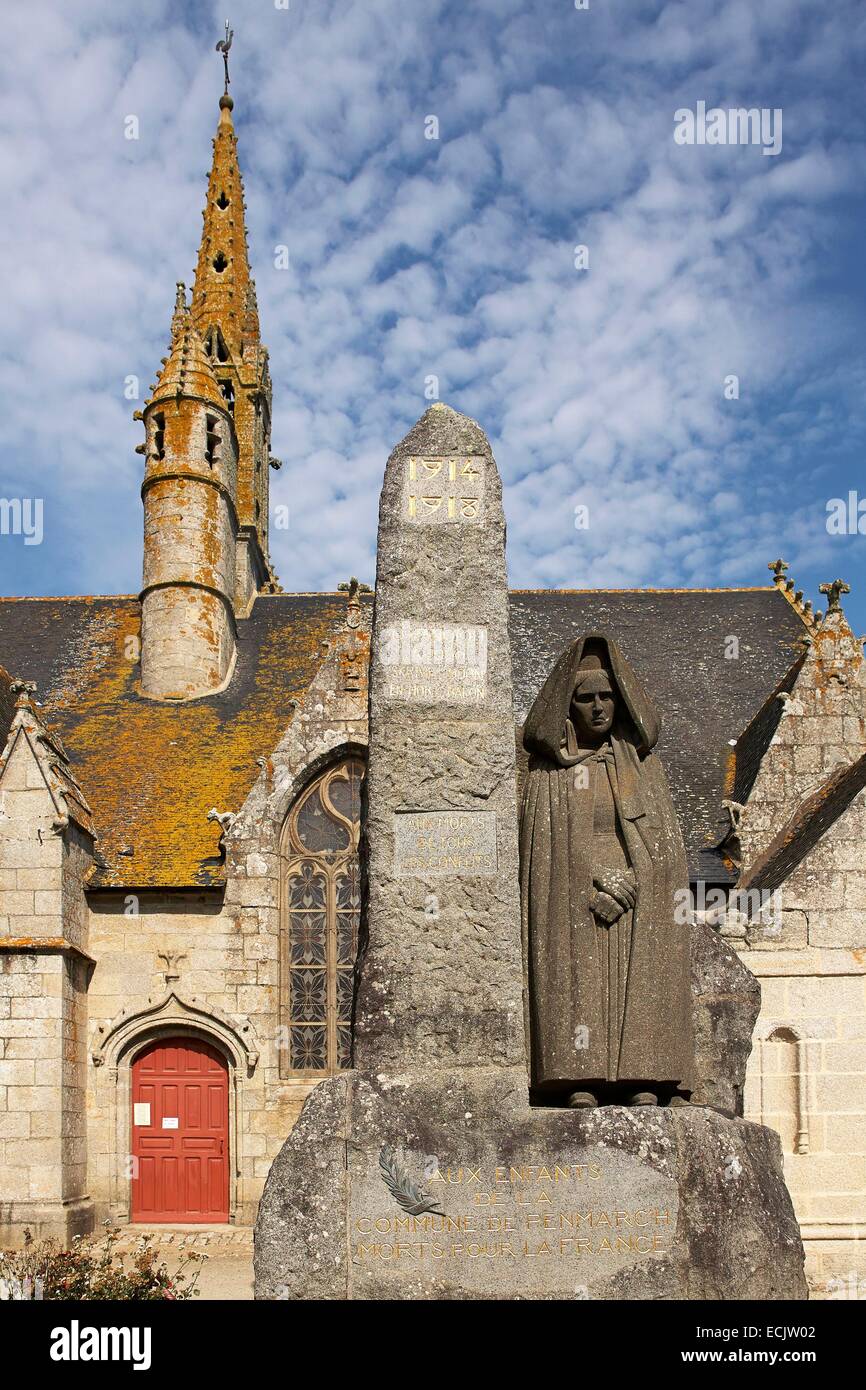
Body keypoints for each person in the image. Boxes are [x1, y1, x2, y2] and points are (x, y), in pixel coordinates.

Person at [519, 632, 694, 1107]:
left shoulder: (642, 766)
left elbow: (665, 846)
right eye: (586, 698)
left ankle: (646, 1074)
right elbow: (546, 851)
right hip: (578, 893)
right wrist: (593, 875)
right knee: (580, 977)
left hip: (639, 890)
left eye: (607, 697)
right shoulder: (549, 772)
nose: (599, 707)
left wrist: (640, 877)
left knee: (642, 974)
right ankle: (579, 1077)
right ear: (568, 706)